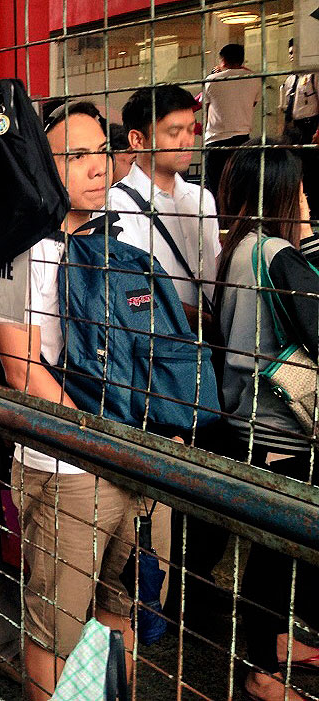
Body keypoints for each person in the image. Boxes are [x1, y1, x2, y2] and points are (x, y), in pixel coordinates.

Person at [0, 102, 140, 701]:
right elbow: (23, 369)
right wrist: (103, 439)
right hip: (67, 468)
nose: (96, 167)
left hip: (130, 459)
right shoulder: (20, 250)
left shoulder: (115, 239)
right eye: (75, 155)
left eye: (101, 152)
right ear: (45, 168)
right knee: (54, 630)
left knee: (117, 608)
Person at [214, 139, 319, 701]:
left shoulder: (239, 246)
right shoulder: (278, 253)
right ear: (281, 192)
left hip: (245, 416)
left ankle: (274, 644)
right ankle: (261, 671)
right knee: (274, 555)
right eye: (299, 187)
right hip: (281, 425)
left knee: (267, 550)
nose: (305, 197)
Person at [108, 84, 221, 329]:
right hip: (159, 344)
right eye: (174, 132)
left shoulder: (202, 199)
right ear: (137, 140)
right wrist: (209, 323)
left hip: (212, 343)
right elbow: (134, 293)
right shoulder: (117, 205)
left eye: (191, 130)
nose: (186, 142)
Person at [201, 43, 260, 197]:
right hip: (243, 140)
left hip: (216, 141)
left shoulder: (212, 80)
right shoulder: (255, 79)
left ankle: (218, 220)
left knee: (215, 189)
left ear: (223, 60)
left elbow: (207, 107)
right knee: (239, 189)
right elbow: (252, 104)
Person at [282, 39, 319, 213]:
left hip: (310, 125)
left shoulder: (313, 75)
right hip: (293, 127)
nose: (292, 57)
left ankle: (313, 208)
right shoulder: (290, 79)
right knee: (293, 167)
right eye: (290, 53)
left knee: (312, 169)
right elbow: (285, 107)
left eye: (295, 52)